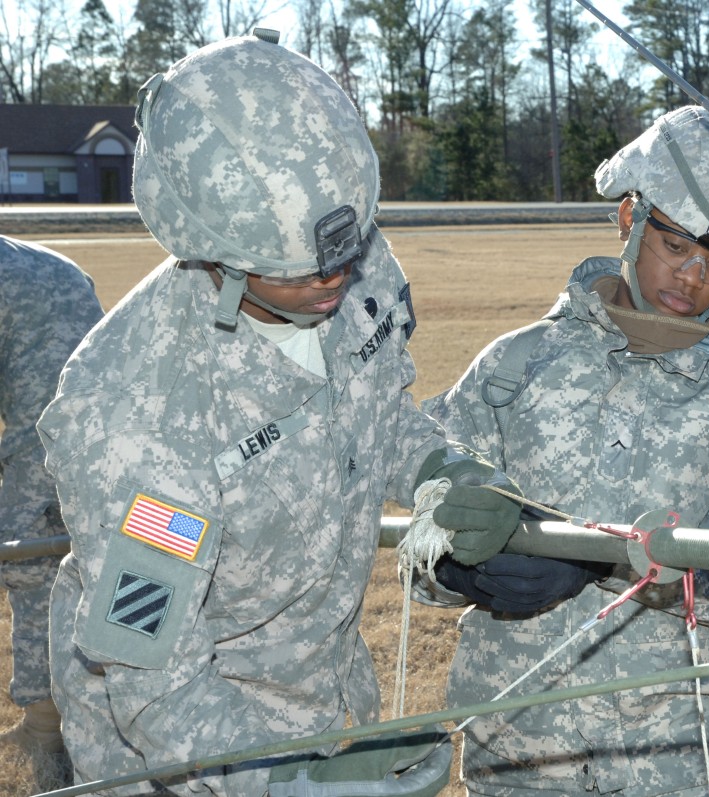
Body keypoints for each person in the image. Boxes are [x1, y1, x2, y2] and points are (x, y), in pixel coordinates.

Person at [36, 30, 521, 796]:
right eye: (301, 270)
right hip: (185, 753)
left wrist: (445, 471)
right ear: (210, 248)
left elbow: (375, 411)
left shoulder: (350, 257)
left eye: (345, 254)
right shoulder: (134, 410)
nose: (335, 279)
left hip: (318, 699)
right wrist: (290, 781)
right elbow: (154, 678)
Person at [416, 105, 709, 796]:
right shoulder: (514, 367)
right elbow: (422, 526)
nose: (692, 277)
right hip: (518, 754)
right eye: (676, 245)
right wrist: (454, 563)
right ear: (630, 217)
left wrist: (620, 564)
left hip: (680, 756)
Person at [0, 235, 103, 790]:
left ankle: (48, 728)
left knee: (34, 556)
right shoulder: (40, 261)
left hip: (49, 426)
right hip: (94, 416)